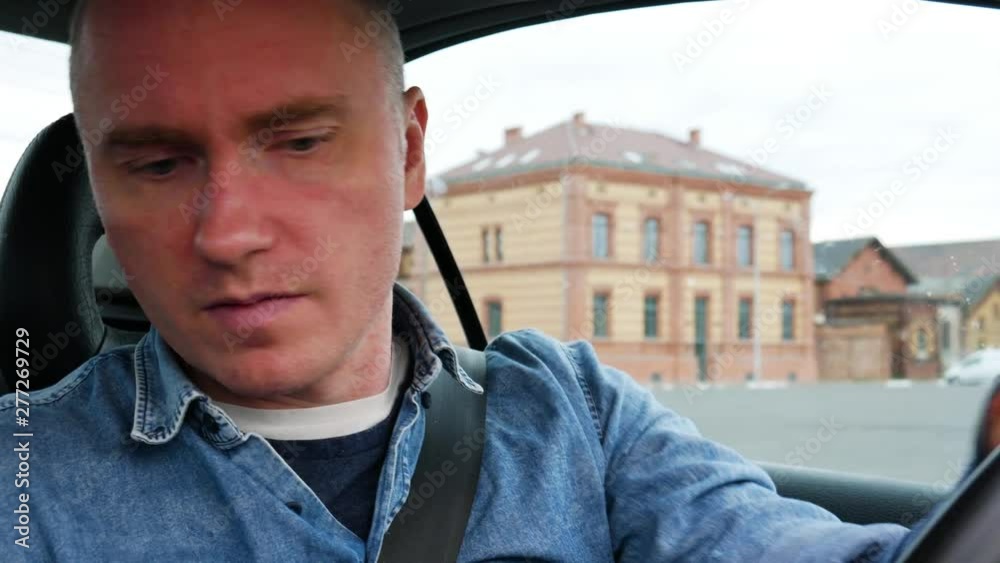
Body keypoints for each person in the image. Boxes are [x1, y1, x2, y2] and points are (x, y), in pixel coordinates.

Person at [0, 0, 993, 560]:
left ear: (409, 151)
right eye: (157, 164)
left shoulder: (572, 412)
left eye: (299, 141)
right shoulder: (25, 481)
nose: (228, 232)